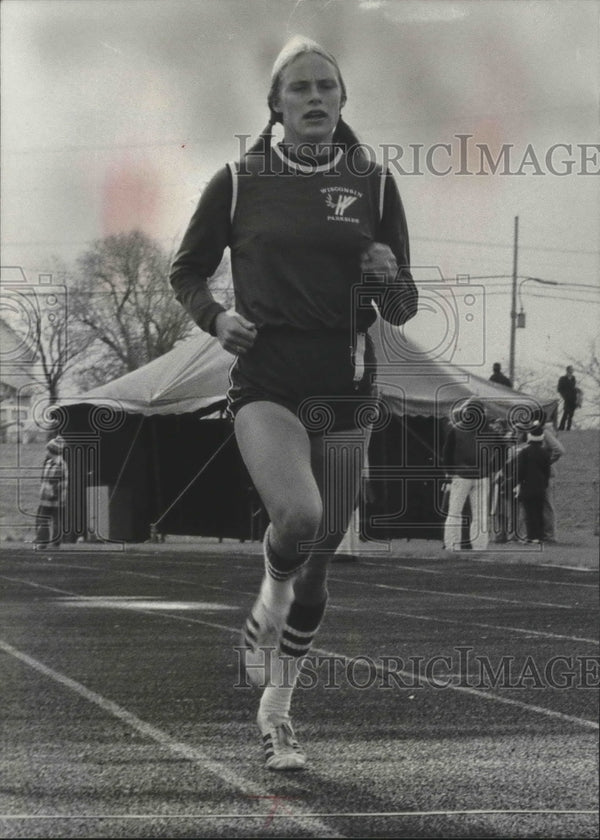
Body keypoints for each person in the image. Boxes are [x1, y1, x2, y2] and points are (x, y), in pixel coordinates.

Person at [170, 36, 418, 771]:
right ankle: (266, 604)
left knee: (320, 564)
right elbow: (186, 270)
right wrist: (216, 318)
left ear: (343, 103)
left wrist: (388, 273)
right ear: (275, 106)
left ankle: (277, 712)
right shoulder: (239, 181)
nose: (314, 98)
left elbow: (400, 308)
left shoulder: (373, 182)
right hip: (267, 382)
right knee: (301, 521)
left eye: (326, 88)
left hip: (345, 388)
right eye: (299, 88)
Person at [441, 398, 493, 552]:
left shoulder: (456, 429)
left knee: (454, 512)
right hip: (482, 475)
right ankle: (480, 546)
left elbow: (447, 455)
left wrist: (449, 475)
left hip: (461, 475)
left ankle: (452, 545)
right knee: (480, 515)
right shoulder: (488, 429)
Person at [514, 419, 551, 543]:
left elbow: (520, 470)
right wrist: (545, 483)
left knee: (529, 512)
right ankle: (539, 536)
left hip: (527, 485)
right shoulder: (545, 453)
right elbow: (547, 471)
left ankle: (531, 536)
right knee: (539, 510)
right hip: (540, 486)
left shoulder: (524, 452)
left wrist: (517, 482)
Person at [34, 436, 68, 548]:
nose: (46, 452)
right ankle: (46, 540)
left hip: (54, 498)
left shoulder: (60, 465)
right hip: (46, 497)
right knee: (46, 519)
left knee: (50, 520)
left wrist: (52, 493)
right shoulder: (48, 463)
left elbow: (57, 482)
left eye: (47, 450)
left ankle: (48, 541)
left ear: (52, 451)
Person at [557, 365, 577, 430]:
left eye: (573, 369)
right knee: (566, 413)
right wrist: (564, 396)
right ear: (568, 370)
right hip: (567, 398)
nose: (572, 370)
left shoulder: (573, 378)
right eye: (571, 369)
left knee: (571, 414)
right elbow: (559, 389)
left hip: (573, 398)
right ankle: (561, 427)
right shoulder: (562, 379)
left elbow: (573, 388)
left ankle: (568, 428)